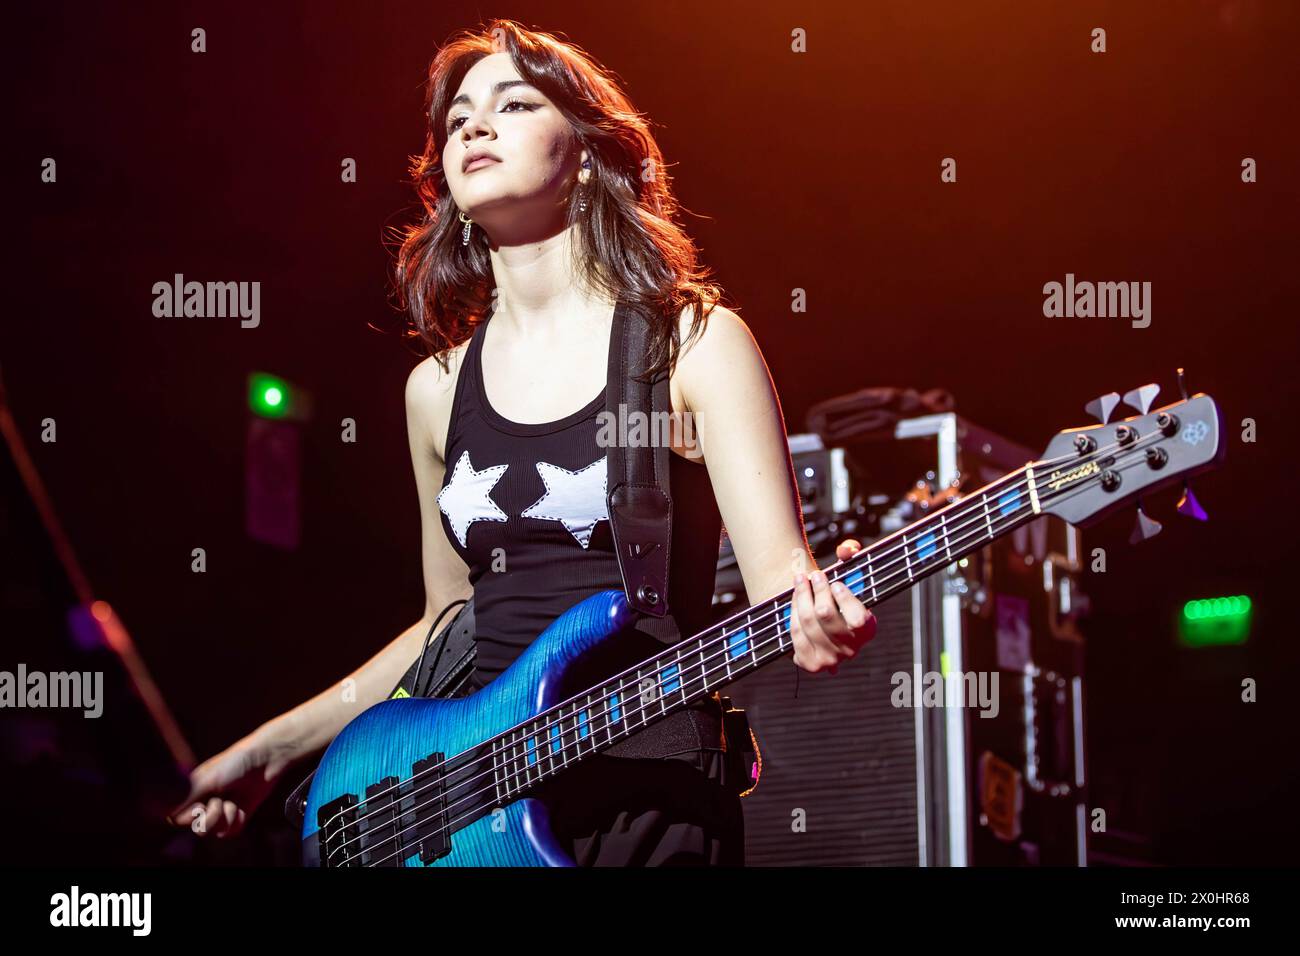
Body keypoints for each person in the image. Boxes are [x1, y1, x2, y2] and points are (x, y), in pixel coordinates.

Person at [166, 18, 876, 865]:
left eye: (513, 102)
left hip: (645, 809)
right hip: (481, 821)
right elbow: (443, 629)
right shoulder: (434, 390)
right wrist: (271, 749)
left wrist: (819, 619)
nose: (473, 124)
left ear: (586, 151)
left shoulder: (693, 344)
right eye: (459, 114)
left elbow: (780, 591)